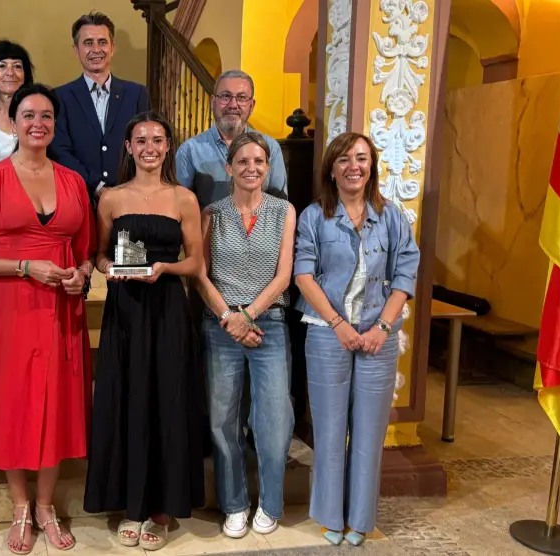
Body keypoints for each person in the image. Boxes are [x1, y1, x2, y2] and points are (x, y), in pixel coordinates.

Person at [0, 83, 94, 555]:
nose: (39, 122)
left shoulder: (73, 181)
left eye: (47, 115)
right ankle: (20, 506)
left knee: (56, 401)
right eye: (29, 114)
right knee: (14, 401)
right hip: (7, 309)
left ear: (55, 124)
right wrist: (23, 266)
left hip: (61, 308)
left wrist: (81, 275)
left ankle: (46, 505)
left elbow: (87, 253)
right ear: (13, 122)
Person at [85, 111, 204, 551]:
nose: (150, 147)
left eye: (158, 139)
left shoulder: (184, 198)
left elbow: (196, 263)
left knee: (166, 401)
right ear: (129, 147)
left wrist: (164, 268)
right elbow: (97, 254)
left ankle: (161, 508)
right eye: (141, 140)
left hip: (169, 307)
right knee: (129, 399)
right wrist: (109, 269)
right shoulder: (111, 198)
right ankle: (131, 504)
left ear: (168, 146)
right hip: (126, 310)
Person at [293, 132, 420, 547]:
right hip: (328, 334)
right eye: (344, 159)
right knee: (330, 431)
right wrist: (339, 325)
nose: (353, 166)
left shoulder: (392, 216)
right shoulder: (314, 217)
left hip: (377, 339)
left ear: (372, 168)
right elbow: (303, 275)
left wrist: (382, 327)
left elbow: (405, 273)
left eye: (361, 159)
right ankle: (331, 515)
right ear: (331, 168)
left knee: (369, 433)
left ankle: (360, 519)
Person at [196, 132, 296, 539]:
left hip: (268, 322)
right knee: (223, 421)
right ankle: (234, 503)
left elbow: (285, 274)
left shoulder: (284, 211)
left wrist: (249, 316)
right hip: (220, 326)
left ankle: (270, 502)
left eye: (259, 161)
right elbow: (200, 273)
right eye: (243, 162)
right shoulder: (211, 213)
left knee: (273, 420)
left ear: (268, 168)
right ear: (229, 168)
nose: (251, 168)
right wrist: (229, 317)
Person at [52, 11, 151, 202]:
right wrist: (96, 187)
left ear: (112, 47)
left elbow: (146, 144)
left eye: (102, 42)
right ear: (76, 49)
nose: (96, 49)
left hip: (130, 199)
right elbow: (60, 151)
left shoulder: (137, 94)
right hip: (78, 199)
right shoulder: (59, 97)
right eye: (88, 43)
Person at [176, 70, 286, 209]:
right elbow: (180, 209)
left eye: (241, 98)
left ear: (251, 106)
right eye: (225, 96)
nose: (233, 105)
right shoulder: (189, 151)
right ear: (213, 102)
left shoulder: (271, 148)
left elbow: (280, 209)